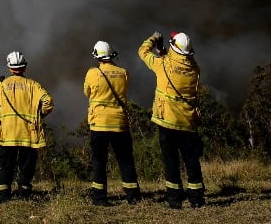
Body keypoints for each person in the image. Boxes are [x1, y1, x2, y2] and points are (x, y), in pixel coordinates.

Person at [138, 30, 205, 209]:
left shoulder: (162, 65)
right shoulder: (194, 69)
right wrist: (165, 50)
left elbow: (142, 52)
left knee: (171, 161)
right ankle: (196, 199)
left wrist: (153, 39)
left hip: (167, 121)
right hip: (188, 123)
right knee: (191, 161)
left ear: (174, 48)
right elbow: (179, 63)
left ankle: (174, 199)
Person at [83, 41, 141, 206]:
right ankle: (133, 197)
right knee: (126, 160)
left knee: (99, 161)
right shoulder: (123, 72)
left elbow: (86, 92)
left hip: (99, 124)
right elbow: (125, 89)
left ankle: (99, 198)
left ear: (97, 57)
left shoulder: (92, 73)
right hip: (119, 123)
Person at [0, 51, 54, 203]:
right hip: (28, 132)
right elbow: (48, 102)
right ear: (24, 67)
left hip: (8, 133)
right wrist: (40, 115)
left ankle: (3, 197)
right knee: (27, 165)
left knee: (6, 165)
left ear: (9, 67)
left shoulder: (2, 85)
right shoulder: (33, 85)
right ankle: (24, 195)